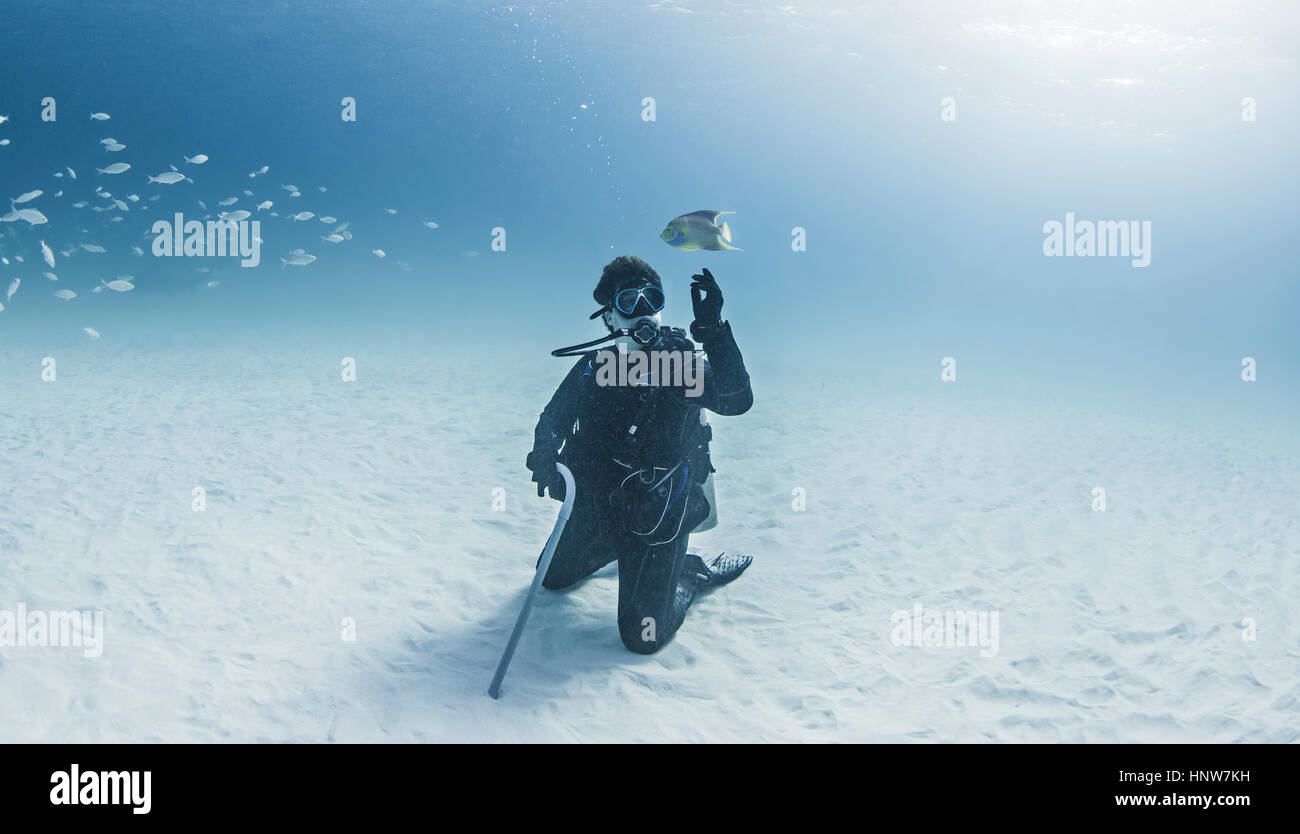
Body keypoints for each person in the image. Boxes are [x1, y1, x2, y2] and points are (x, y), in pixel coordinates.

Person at [526, 256, 754, 654]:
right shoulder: (594, 368)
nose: (644, 310)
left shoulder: (682, 366)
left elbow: (737, 401)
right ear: (611, 318)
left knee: (642, 636)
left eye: (653, 298)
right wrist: (544, 450)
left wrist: (713, 331)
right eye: (630, 301)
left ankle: (687, 571)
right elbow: (555, 417)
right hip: (599, 509)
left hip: (657, 519)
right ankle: (622, 554)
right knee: (551, 578)